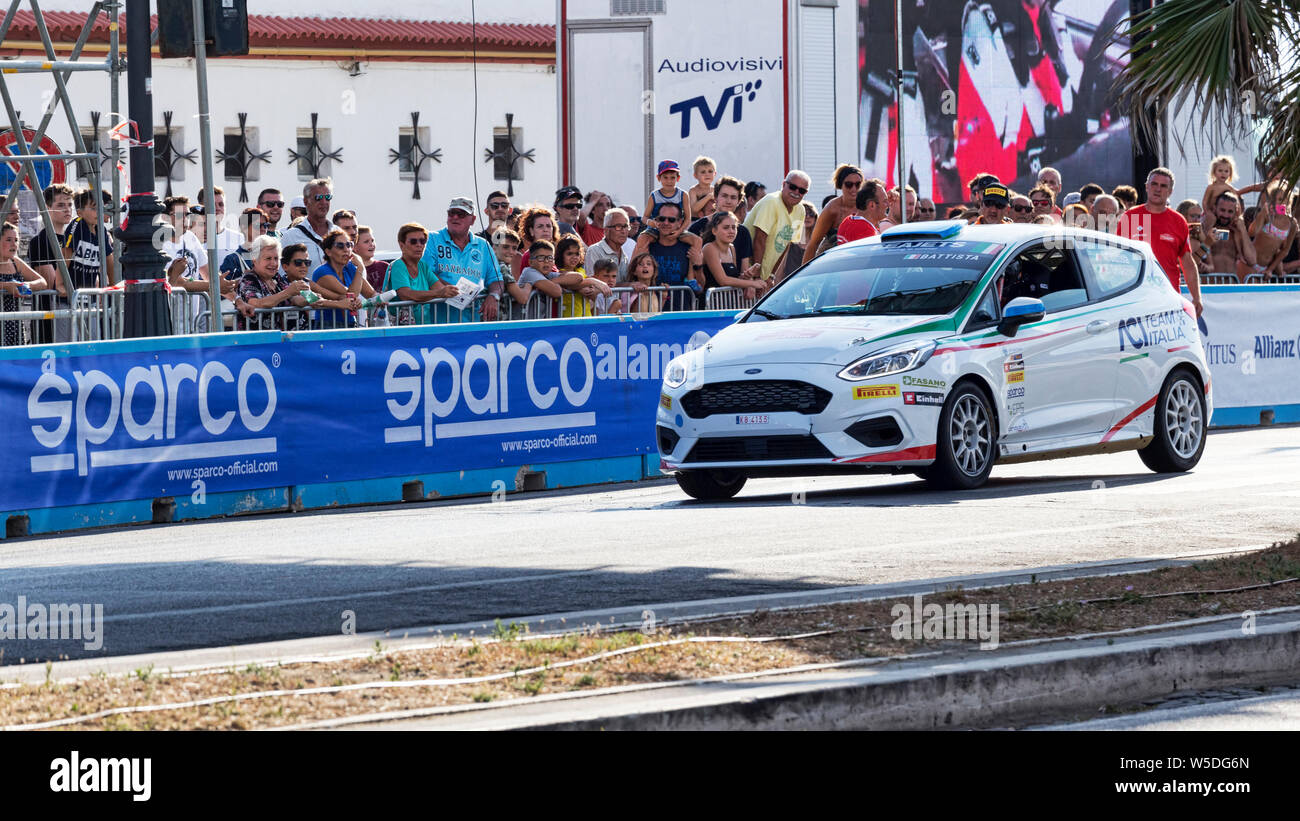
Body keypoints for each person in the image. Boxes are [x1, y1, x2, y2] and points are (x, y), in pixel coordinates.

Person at [1116, 167, 1202, 317]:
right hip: (1137, 297)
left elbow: (1187, 263)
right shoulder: (1130, 217)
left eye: (1163, 186)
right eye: (1154, 184)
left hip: (1169, 298)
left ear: (1170, 191)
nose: (1158, 189)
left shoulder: (1178, 221)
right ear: (1147, 187)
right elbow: (1119, 258)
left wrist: (1197, 297)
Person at [421, 196, 504, 322]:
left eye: (461, 214)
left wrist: (493, 296)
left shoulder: (483, 245)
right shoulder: (432, 238)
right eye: (451, 213)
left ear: (473, 219)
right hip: (437, 323)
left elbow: (496, 279)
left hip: (471, 323)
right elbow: (425, 273)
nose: (455, 217)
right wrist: (454, 292)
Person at [235, 235, 315, 330]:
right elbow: (257, 303)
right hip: (258, 340)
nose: (273, 263)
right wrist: (288, 292)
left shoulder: (276, 278)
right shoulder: (249, 280)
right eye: (268, 259)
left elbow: (294, 299)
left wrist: (312, 298)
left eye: (276, 259)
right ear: (255, 260)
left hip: (282, 339)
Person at [26, 183, 75, 341]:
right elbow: (52, 283)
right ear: (47, 207)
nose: (67, 209)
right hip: (49, 318)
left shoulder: (73, 239)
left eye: (69, 205)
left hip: (75, 312)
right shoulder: (40, 241)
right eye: (60, 205)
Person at [384, 222, 458, 325]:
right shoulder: (398, 265)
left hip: (423, 328)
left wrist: (458, 291)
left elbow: (440, 289)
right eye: (413, 241)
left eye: (423, 241)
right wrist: (439, 293)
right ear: (402, 245)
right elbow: (406, 294)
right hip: (400, 331)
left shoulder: (423, 266)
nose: (419, 245)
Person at [744, 170, 809, 281]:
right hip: (747, 272)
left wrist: (771, 276)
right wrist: (757, 277)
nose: (796, 192)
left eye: (802, 190)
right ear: (784, 184)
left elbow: (785, 244)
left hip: (762, 277)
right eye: (793, 187)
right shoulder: (771, 201)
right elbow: (759, 240)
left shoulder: (801, 210)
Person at [633, 201, 703, 297]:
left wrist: (698, 266)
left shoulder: (690, 246)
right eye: (662, 219)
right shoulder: (647, 244)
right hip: (652, 308)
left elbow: (701, 287)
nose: (666, 223)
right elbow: (632, 278)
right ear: (656, 221)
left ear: (680, 222)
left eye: (671, 220)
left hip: (681, 309)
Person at [688, 176, 754, 272]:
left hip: (735, 285)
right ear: (715, 197)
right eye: (724, 196)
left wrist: (749, 279)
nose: (728, 201)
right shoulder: (697, 228)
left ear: (739, 201)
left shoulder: (743, 232)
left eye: (733, 197)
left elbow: (744, 269)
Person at [803, 163, 864, 263]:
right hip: (832, 262)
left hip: (859, 260)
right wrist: (803, 274)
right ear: (840, 185)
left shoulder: (866, 206)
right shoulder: (832, 209)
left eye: (858, 184)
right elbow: (813, 243)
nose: (854, 189)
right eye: (849, 185)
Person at [0, 223, 48, 346]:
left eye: (16, 240)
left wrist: (25, 285)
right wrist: (5, 286)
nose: (13, 244)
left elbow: (42, 282)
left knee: (17, 361)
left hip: (15, 324)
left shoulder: (15, 261)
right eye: (8, 240)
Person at [310, 228, 368, 328]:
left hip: (349, 323)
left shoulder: (349, 267)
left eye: (349, 244)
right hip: (328, 325)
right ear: (328, 252)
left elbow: (370, 292)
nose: (346, 249)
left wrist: (381, 298)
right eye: (340, 246)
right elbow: (351, 295)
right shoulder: (322, 271)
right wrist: (360, 267)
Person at [701, 211, 767, 299]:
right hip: (712, 303)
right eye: (726, 228)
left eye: (734, 227)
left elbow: (733, 279)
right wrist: (753, 283)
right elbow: (723, 280)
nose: (731, 231)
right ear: (714, 231)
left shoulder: (731, 248)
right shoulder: (709, 248)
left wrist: (746, 276)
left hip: (728, 302)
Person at [62, 187, 115, 289]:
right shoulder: (77, 224)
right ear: (79, 212)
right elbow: (65, 254)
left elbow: (109, 258)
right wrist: (61, 284)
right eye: (94, 208)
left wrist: (113, 284)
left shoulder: (101, 230)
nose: (103, 212)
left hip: (90, 295)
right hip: (70, 295)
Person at [281, 178, 334, 271]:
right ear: (306, 202)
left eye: (328, 197)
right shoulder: (291, 236)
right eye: (318, 198)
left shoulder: (338, 233)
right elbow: (283, 275)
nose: (324, 202)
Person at [1200, 190, 1256, 279]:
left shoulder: (1236, 233)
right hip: (1209, 286)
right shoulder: (1206, 228)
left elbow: (1252, 260)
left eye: (1230, 211)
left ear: (1236, 212)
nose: (1225, 215)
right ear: (1215, 208)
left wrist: (1243, 230)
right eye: (1222, 210)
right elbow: (1197, 253)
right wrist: (1207, 227)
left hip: (1230, 287)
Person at [1246, 182, 1297, 281]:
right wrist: (1262, 213)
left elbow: (1285, 251)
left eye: (1282, 200)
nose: (1280, 203)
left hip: (1266, 267)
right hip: (1249, 263)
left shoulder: (1292, 223)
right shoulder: (1267, 215)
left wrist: (1270, 269)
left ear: (1288, 201)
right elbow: (1252, 233)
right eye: (1276, 200)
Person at [585, 207, 633, 282]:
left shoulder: (624, 256)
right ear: (606, 230)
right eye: (618, 227)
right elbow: (594, 284)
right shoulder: (594, 251)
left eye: (626, 226)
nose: (623, 231)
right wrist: (628, 286)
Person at [219, 207, 269, 279]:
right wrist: (244, 279)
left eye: (265, 225)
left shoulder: (272, 254)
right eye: (257, 225)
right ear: (244, 227)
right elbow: (223, 286)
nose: (263, 229)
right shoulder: (233, 259)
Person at [512, 205, 560, 278]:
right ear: (531, 231)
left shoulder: (551, 253)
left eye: (548, 226)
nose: (545, 230)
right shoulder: (530, 255)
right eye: (540, 226)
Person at [837, 178, 888, 245]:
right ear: (872, 205)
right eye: (885, 201)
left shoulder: (848, 220)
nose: (888, 204)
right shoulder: (866, 231)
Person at [197, 185, 241, 261]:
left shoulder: (239, 238)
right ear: (201, 207)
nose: (217, 208)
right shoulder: (192, 239)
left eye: (221, 204)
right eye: (212, 205)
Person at [646, 160, 691, 225]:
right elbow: (644, 217)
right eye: (665, 177)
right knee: (643, 235)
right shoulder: (654, 196)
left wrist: (678, 232)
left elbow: (688, 219)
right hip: (656, 230)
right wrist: (651, 223)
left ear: (678, 178)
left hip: (676, 229)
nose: (669, 181)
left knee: (692, 236)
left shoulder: (683, 195)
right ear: (658, 178)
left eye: (672, 178)